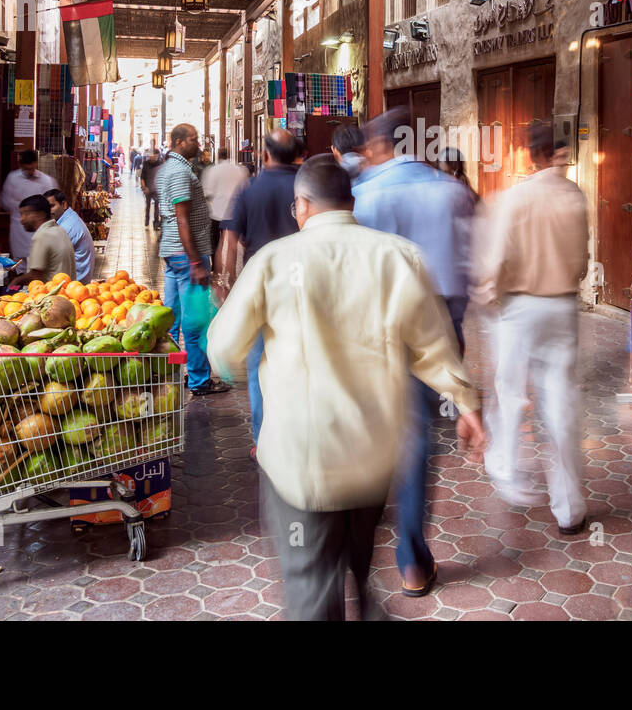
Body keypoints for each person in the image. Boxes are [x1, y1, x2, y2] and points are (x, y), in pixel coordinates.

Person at [207, 155, 486, 621]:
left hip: (302, 466)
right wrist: (467, 403)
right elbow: (434, 348)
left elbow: (222, 351)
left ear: (301, 205)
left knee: (313, 587)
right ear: (350, 202)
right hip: (372, 460)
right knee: (361, 559)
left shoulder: (273, 261)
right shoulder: (399, 257)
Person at [352, 108, 475, 598]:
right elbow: (464, 270)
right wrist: (454, 331)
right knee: (418, 439)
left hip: (374, 329)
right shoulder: (453, 193)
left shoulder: (363, 195)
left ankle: (354, 546)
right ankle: (411, 562)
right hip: (436, 328)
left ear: (380, 145)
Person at [475, 119, 590, 536]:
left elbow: (498, 259)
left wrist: (490, 298)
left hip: (520, 308)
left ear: (531, 153)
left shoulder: (517, 197)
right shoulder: (574, 196)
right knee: (561, 405)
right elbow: (582, 259)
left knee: (509, 393)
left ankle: (508, 472)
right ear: (555, 152)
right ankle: (569, 509)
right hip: (563, 306)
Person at [214, 127, 301, 456]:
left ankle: (263, 440)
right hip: (303, 285)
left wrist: (226, 285)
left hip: (262, 288)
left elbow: (229, 242)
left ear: (264, 155)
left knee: (259, 363)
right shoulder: (306, 186)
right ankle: (298, 436)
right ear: (297, 154)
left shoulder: (249, 189)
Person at [156, 124, 229, 397]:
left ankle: (171, 375)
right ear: (178, 142)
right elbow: (182, 220)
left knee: (171, 319)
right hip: (186, 256)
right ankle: (199, 380)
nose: (198, 144)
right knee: (195, 321)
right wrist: (196, 262)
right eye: (193, 139)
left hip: (175, 254)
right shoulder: (178, 172)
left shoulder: (171, 168)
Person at [0, 150, 57, 263]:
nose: (30, 171)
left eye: (32, 168)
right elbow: (5, 202)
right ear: (21, 165)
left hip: (39, 228)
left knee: (39, 260)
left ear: (36, 164)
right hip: (19, 228)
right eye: (26, 169)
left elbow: (51, 204)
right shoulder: (13, 178)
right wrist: (19, 208)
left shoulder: (46, 181)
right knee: (20, 263)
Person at [8, 194, 76, 290]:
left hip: (50, 294)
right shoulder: (59, 230)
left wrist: (15, 281)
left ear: (42, 214)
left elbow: (35, 275)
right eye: (21, 214)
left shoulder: (42, 235)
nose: (22, 219)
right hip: (66, 292)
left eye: (26, 214)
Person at [201, 144, 248, 253]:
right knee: (233, 243)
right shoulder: (239, 170)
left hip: (217, 212)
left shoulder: (212, 170)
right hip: (234, 212)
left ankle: (216, 262)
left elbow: (207, 192)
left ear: (218, 155)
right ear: (228, 155)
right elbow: (245, 189)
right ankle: (232, 261)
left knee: (217, 243)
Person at [46, 188, 94, 282]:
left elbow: (51, 260)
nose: (48, 211)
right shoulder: (69, 217)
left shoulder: (66, 227)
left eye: (52, 206)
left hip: (75, 283)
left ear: (64, 204)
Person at [139, 149, 164, 232]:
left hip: (157, 189)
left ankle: (156, 223)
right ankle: (147, 219)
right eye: (152, 155)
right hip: (148, 188)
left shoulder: (160, 164)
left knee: (157, 206)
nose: (153, 157)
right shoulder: (146, 164)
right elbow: (142, 177)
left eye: (155, 155)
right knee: (148, 205)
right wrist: (144, 187)